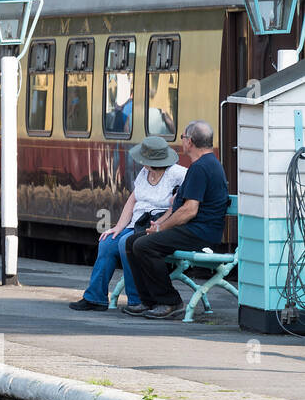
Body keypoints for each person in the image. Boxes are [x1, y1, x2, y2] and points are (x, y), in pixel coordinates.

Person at [124, 120, 229, 319]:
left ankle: (170, 301)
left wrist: (160, 228)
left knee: (145, 246)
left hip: (200, 233)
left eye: (182, 137)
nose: (182, 141)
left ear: (189, 142)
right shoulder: (206, 164)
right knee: (132, 241)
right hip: (197, 230)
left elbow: (189, 210)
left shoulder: (201, 167)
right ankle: (149, 300)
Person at [69, 136, 186, 311]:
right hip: (136, 224)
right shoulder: (145, 172)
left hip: (157, 225)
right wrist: (118, 227)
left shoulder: (178, 173)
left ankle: (137, 300)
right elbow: (132, 200)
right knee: (107, 242)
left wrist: (177, 199)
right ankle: (95, 298)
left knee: (126, 244)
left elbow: (189, 197)